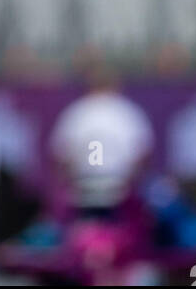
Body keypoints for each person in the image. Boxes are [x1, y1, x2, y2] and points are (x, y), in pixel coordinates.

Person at [49, 63, 154, 218]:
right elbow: (143, 155)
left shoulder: (76, 112)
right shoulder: (128, 111)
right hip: (117, 186)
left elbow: (60, 157)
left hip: (84, 185)